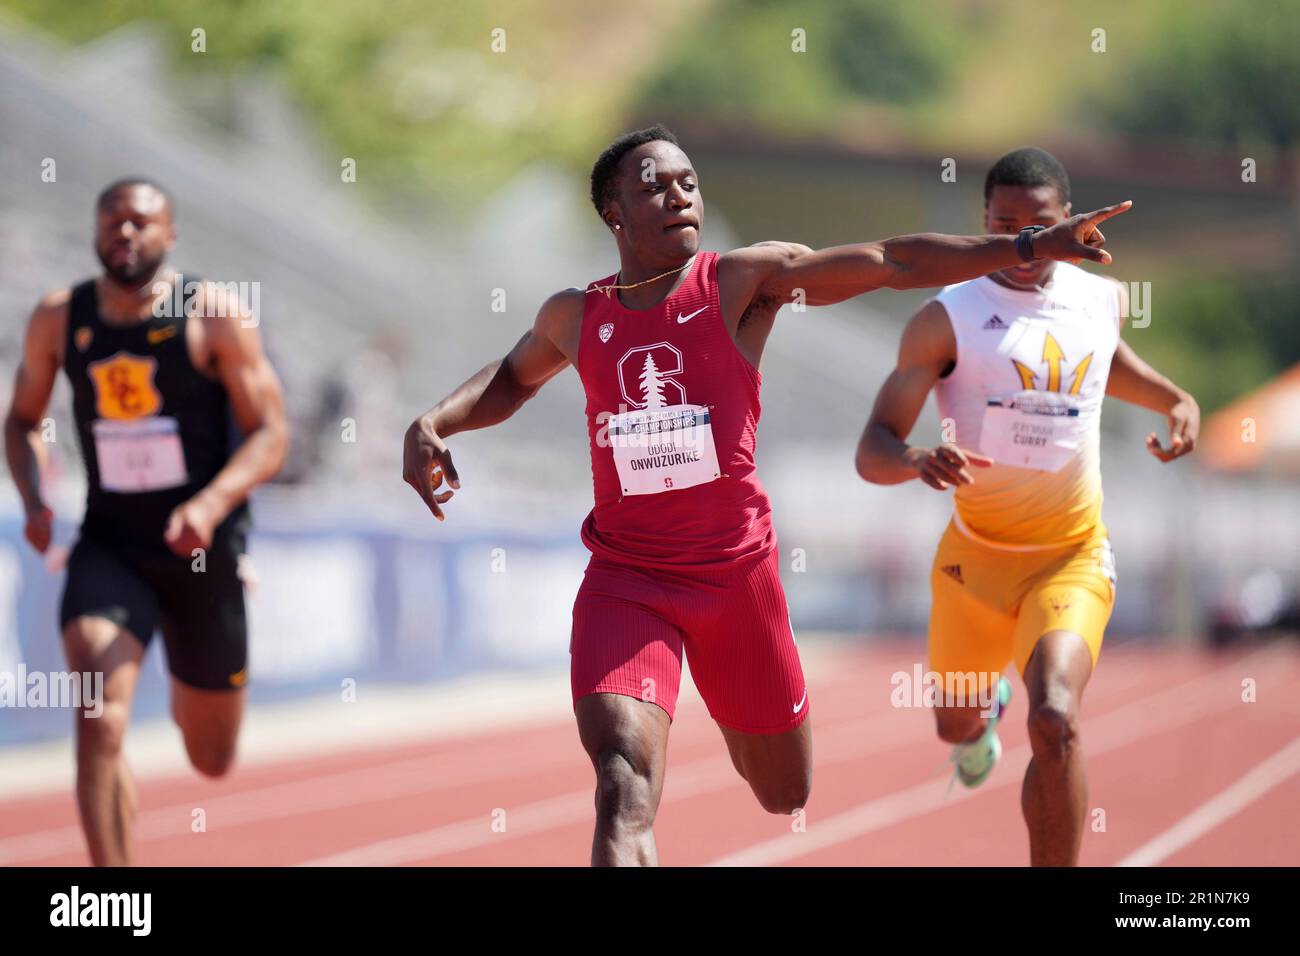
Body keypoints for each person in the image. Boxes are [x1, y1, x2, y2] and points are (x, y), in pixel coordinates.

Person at [403, 126, 1130, 866]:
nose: (679, 194)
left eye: (688, 180)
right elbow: (514, 377)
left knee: (785, 793)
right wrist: (438, 418)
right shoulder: (576, 316)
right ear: (613, 215)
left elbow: (892, 261)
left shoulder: (743, 284)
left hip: (734, 579)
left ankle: (762, 713)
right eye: (654, 184)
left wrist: (1030, 248)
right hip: (629, 579)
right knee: (622, 782)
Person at [855, 147, 1197, 865]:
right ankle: (981, 723)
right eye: (1004, 224)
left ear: (1067, 224)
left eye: (1038, 226)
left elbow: (1107, 359)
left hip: (1071, 556)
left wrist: (1175, 398)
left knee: (1057, 719)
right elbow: (873, 448)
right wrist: (917, 460)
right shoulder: (944, 316)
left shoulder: (1102, 296)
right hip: (972, 565)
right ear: (983, 222)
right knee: (954, 727)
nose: (1023, 242)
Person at [3, 178, 289, 865]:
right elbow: (21, 420)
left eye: (140, 223)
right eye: (111, 223)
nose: (124, 235)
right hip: (111, 546)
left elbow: (271, 434)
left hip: (201, 550)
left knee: (211, 756)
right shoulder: (57, 316)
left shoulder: (213, 316)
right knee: (99, 718)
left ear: (170, 235)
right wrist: (35, 499)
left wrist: (209, 504)